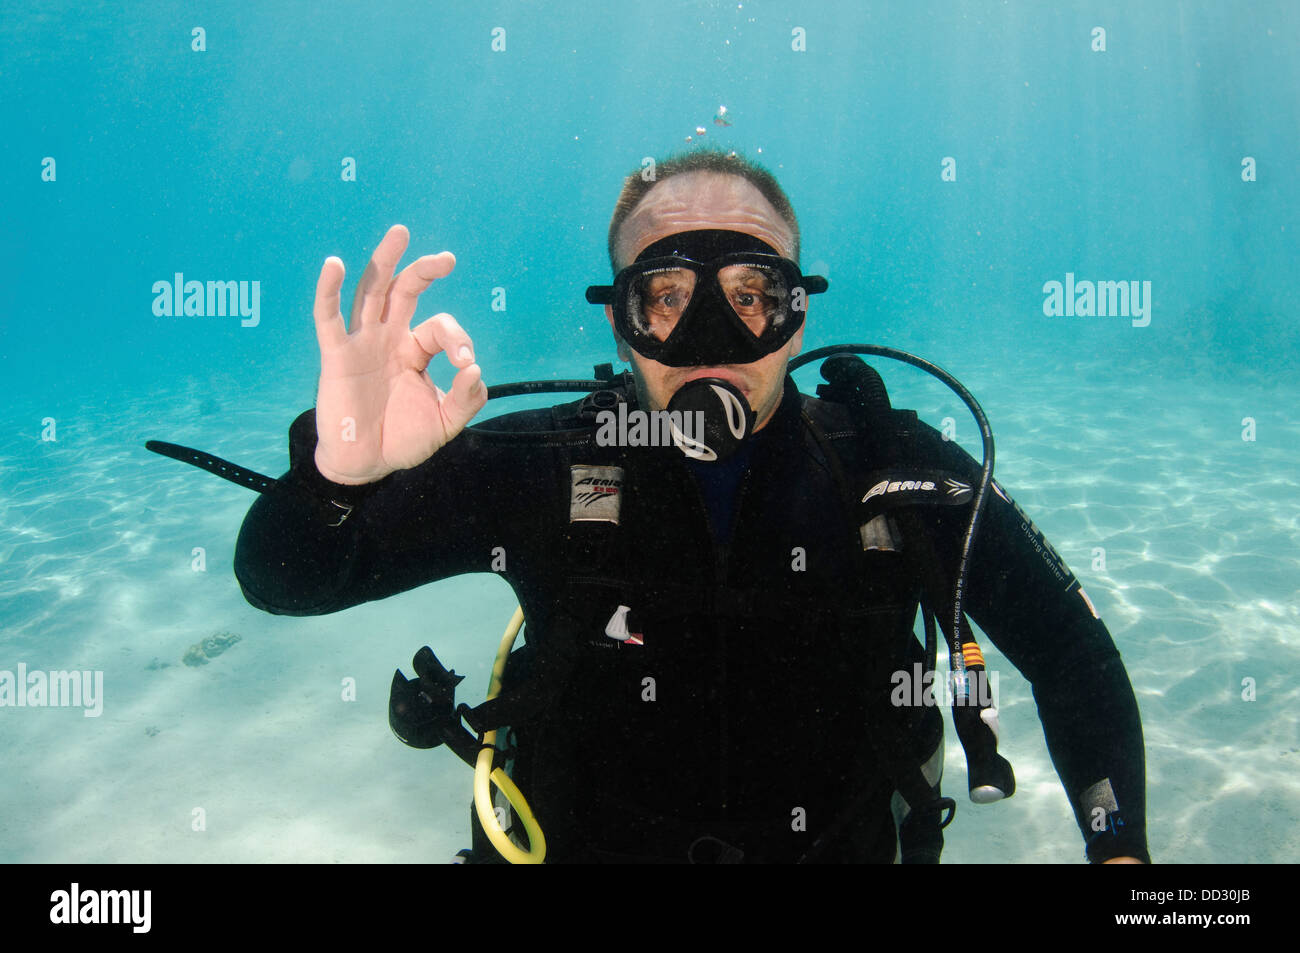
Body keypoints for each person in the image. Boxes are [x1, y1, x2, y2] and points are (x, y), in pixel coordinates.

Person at [232, 150, 1149, 864]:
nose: (711, 337)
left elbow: (1070, 653)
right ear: (617, 320)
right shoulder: (547, 466)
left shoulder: (890, 469)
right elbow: (287, 580)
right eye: (664, 297)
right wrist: (335, 478)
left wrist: (1122, 853)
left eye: (751, 295)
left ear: (798, 313)